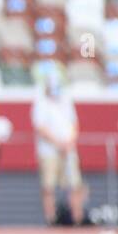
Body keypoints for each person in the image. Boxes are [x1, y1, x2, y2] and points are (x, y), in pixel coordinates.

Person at [32, 65, 87, 225]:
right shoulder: (41, 102)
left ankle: (77, 217)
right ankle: (52, 218)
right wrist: (58, 143)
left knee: (75, 184)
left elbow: (75, 124)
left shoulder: (66, 100)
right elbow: (40, 127)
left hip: (68, 149)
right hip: (49, 151)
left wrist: (69, 142)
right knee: (49, 186)